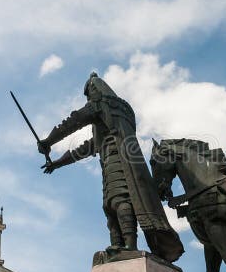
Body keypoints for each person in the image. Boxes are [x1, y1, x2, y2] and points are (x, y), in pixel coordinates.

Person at [38, 73, 183, 262]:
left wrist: (49, 140)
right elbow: (87, 147)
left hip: (117, 160)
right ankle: (119, 246)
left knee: (119, 200)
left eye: (88, 94)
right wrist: (57, 163)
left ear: (94, 89)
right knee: (110, 205)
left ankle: (130, 246)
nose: (89, 99)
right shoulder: (121, 113)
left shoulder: (103, 104)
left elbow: (74, 120)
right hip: (118, 162)